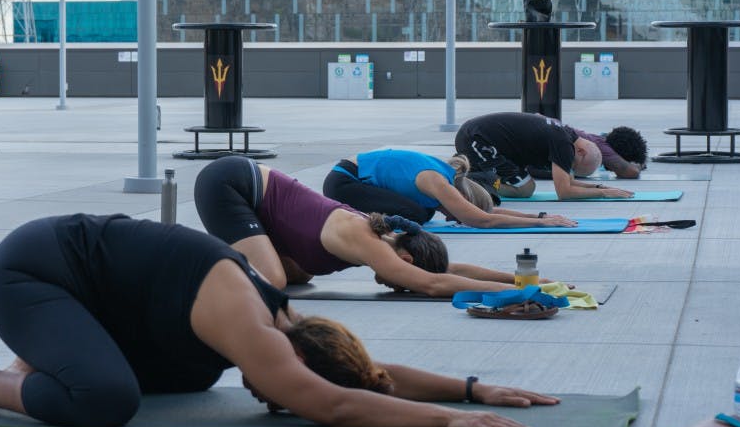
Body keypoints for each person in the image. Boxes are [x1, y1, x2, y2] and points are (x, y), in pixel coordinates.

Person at [0, 214, 559, 427]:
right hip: (32, 273)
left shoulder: (285, 316)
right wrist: (450, 418)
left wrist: (471, 388)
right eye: (280, 399)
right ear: (290, 363)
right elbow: (336, 405)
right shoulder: (255, 327)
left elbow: (366, 381)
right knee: (105, 400)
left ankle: (53, 356)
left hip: (95, 296)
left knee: (193, 376)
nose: (270, 401)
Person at [193, 156, 522, 294]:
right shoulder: (369, 239)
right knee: (273, 280)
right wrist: (515, 294)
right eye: (401, 280)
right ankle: (189, 263)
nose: (393, 284)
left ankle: (236, 251)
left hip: (257, 195)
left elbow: (449, 269)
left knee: (300, 274)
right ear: (405, 260)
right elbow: (434, 284)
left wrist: (523, 280)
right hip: (231, 183)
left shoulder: (391, 238)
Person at [322, 148, 577, 229]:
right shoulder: (438, 182)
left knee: (422, 213)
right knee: (417, 215)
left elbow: (485, 213)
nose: (452, 218)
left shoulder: (443, 177)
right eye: (457, 214)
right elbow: (483, 220)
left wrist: (540, 215)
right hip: (343, 182)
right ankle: (348, 216)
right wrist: (539, 222)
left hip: (348, 179)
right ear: (463, 197)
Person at [455, 112, 635, 200]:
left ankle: (478, 175)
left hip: (483, 139)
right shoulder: (564, 144)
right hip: (477, 140)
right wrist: (603, 193)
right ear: (581, 152)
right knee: (526, 189)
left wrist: (597, 185)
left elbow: (568, 180)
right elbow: (564, 192)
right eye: (573, 165)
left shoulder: (567, 136)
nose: (570, 168)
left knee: (525, 185)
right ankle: (478, 180)